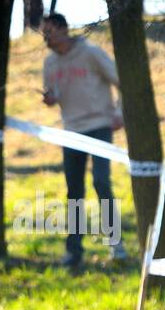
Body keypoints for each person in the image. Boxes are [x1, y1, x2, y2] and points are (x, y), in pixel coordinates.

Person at [41, 13, 127, 268]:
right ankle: (74, 250)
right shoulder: (49, 64)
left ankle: (116, 243)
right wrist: (50, 99)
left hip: (99, 125)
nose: (46, 37)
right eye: (43, 33)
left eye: (50, 31)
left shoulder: (90, 53)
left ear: (64, 29)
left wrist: (120, 112)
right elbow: (53, 94)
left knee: (101, 181)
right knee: (74, 191)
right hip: (71, 131)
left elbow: (121, 80)